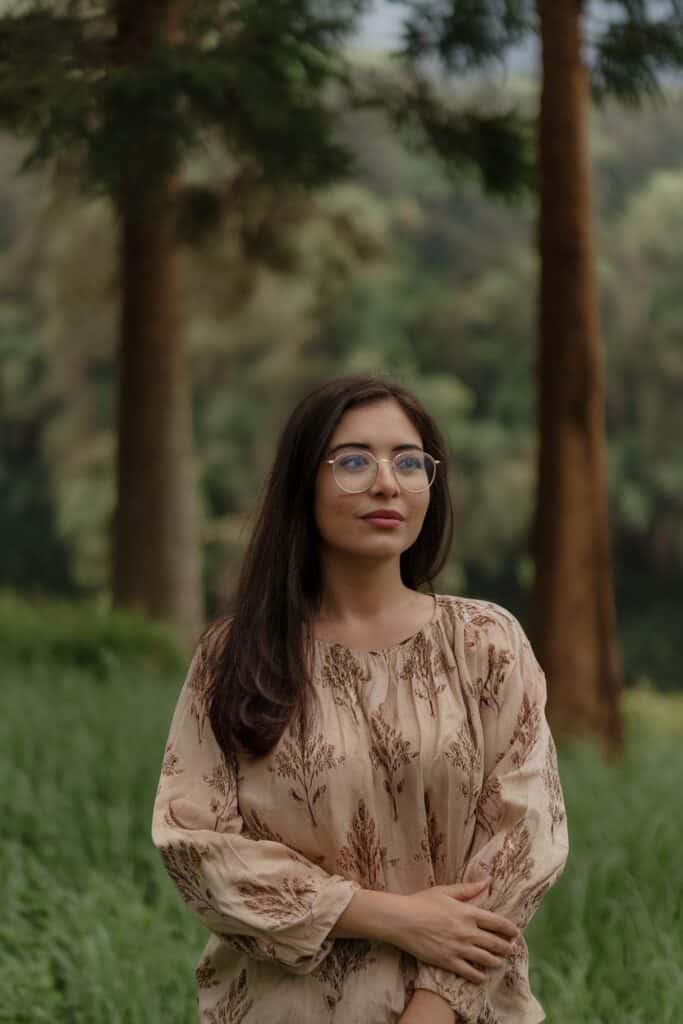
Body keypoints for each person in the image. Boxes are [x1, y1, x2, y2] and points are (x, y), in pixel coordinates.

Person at [151, 374, 569, 1024]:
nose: (386, 483)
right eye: (352, 461)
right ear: (303, 484)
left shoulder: (486, 642)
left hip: (460, 1010)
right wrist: (393, 918)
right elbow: (194, 845)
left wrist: (432, 1007)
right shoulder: (233, 655)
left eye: (409, 462)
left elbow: (526, 841)